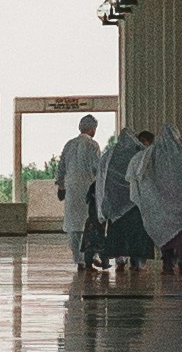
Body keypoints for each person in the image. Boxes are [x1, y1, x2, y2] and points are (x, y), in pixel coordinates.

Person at [132, 121, 182, 281]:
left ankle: (168, 265)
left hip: (161, 201)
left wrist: (149, 193)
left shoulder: (153, 152)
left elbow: (141, 172)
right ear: (177, 135)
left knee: (165, 232)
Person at [52, 113, 109, 275]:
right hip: (88, 191)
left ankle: (79, 260)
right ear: (92, 129)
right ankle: (89, 257)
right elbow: (98, 168)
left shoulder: (69, 144)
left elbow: (61, 168)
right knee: (89, 225)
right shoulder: (93, 145)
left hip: (71, 191)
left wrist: (61, 187)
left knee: (74, 227)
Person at [94, 119, 148, 283]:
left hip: (116, 204)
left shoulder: (109, 155)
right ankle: (137, 262)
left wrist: (104, 202)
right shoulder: (138, 154)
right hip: (134, 203)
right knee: (136, 235)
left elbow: (102, 178)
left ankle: (120, 260)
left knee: (118, 234)